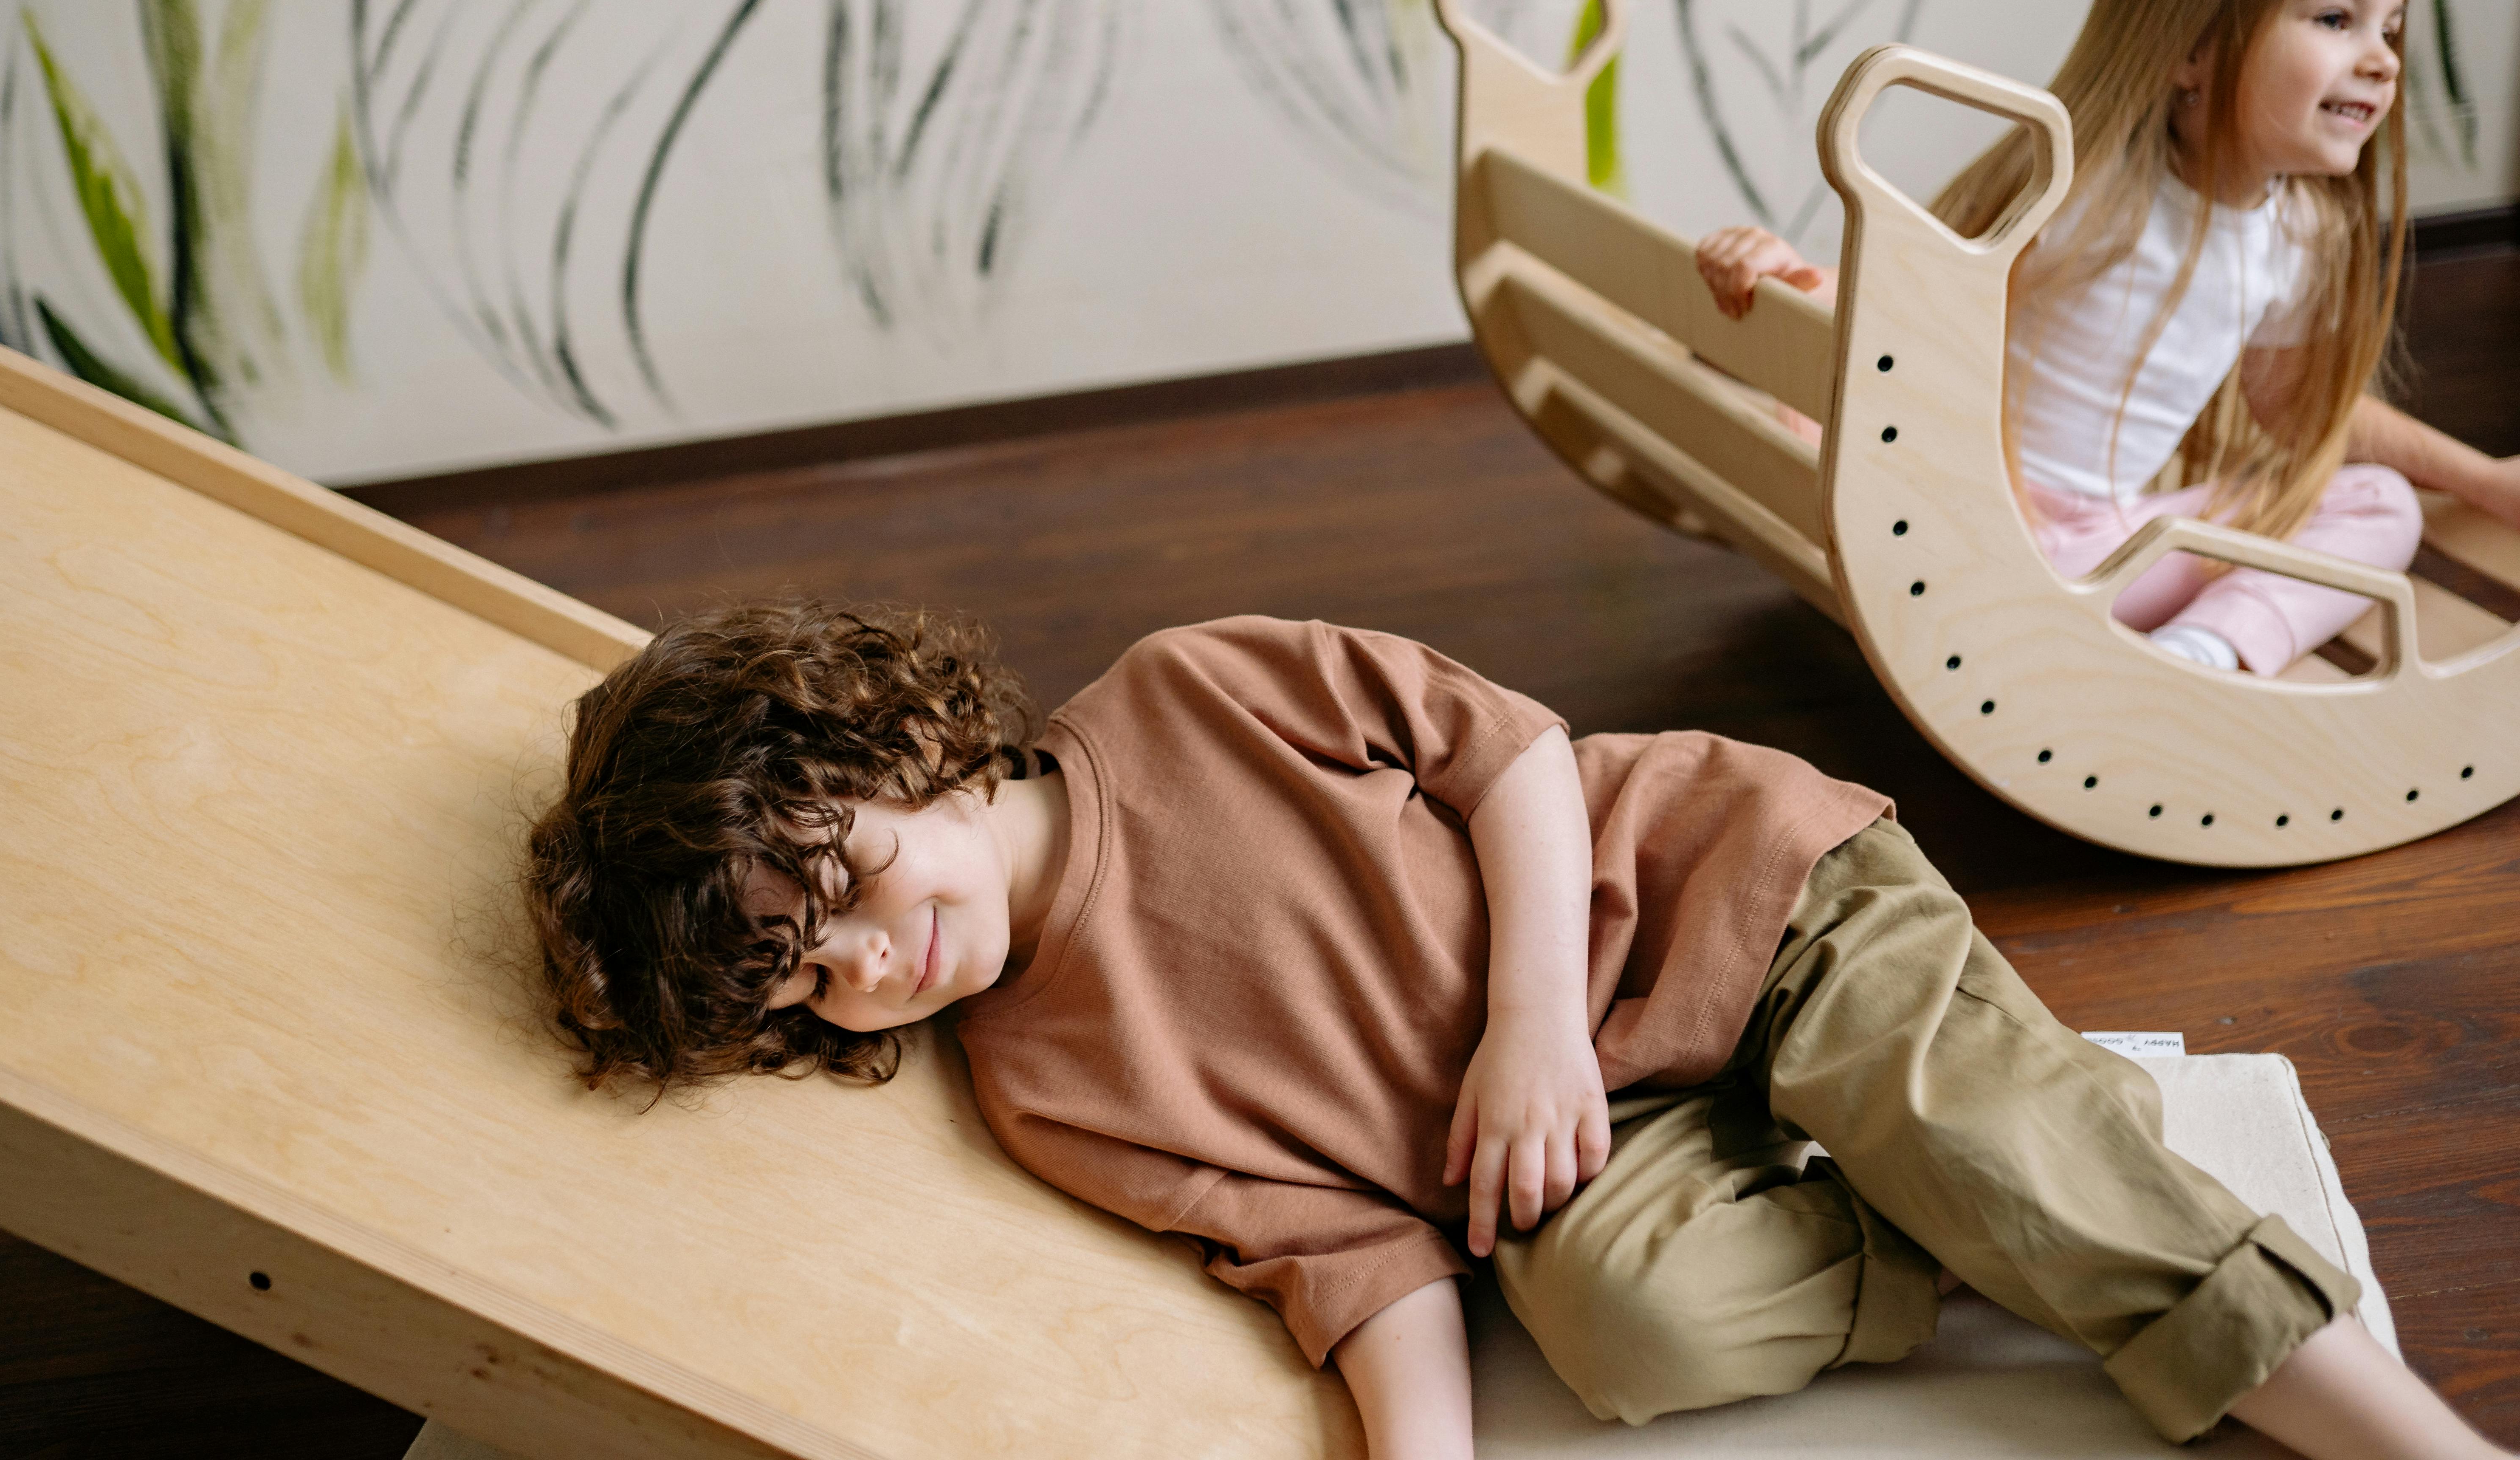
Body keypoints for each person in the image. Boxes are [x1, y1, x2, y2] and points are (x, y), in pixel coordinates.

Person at [525, 600, 2507, 1459]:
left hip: (1719, 897)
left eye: (842, 893)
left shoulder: (1187, 690)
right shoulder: (1038, 1081)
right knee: (1628, 1322)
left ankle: (2400, 1431)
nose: (860, 970)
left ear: (901, 745)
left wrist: (1531, 1026)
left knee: (1994, 1145)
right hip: (1592, 1164)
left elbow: (1518, 757)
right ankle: (1996, 1175)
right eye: (805, 981)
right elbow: (1350, 1254)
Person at [1696, 0, 2520, 677]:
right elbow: (1904, 311)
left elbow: (2308, 417)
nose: (2383, 59)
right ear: (2191, 49)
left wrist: (2482, 480)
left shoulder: (2299, 235)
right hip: (1972, 525)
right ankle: (2190, 652)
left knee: (2378, 502)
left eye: (2391, 27)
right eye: (2338, 18)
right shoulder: (2086, 192)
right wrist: (1791, 276)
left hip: (2102, 549)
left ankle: (2199, 653)